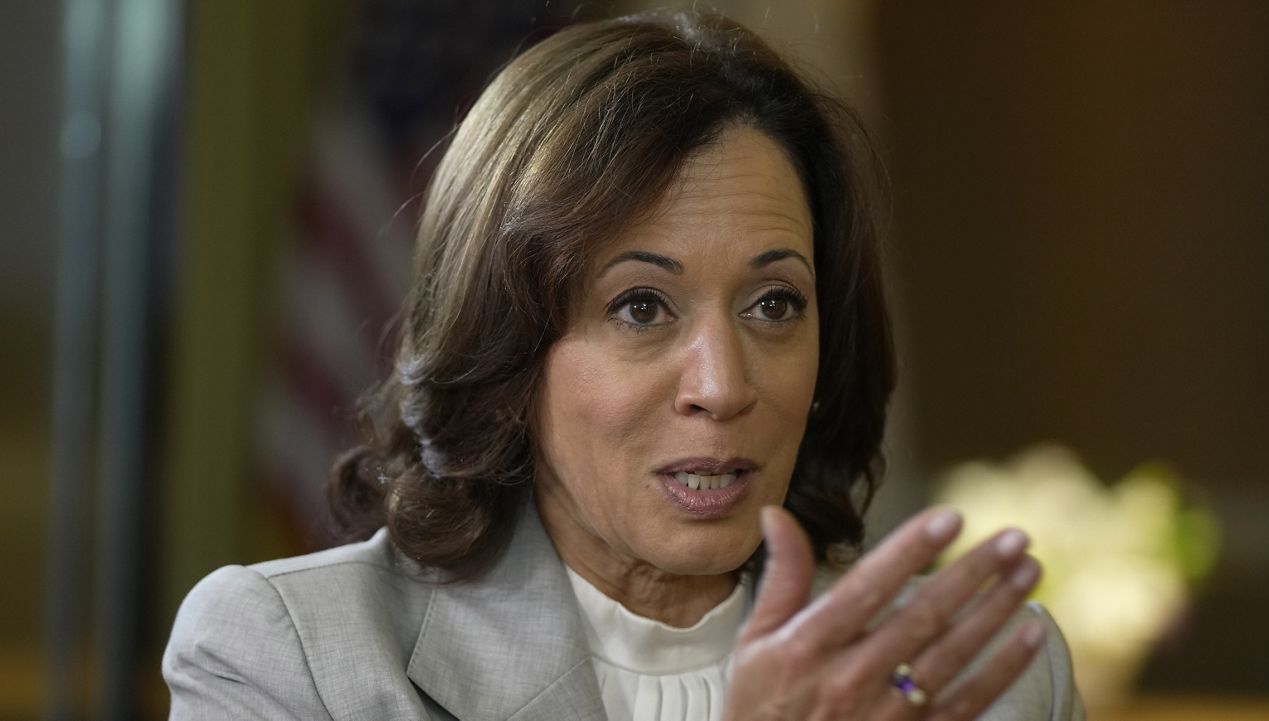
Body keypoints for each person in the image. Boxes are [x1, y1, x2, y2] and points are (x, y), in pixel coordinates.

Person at [164, 10, 1084, 721]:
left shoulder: (986, 675)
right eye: (641, 308)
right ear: (509, 348)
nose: (723, 386)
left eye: (774, 305)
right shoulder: (296, 655)